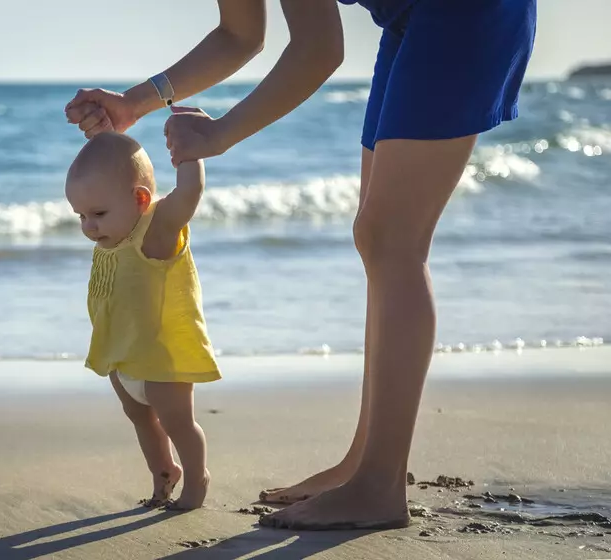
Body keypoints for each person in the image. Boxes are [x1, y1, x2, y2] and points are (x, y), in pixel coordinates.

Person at [65, 0, 537, 530]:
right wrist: (134, 103)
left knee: (390, 240)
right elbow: (241, 33)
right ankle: (365, 464)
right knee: (378, 240)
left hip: (462, 11)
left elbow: (320, 50)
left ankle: (378, 485)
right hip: (409, 18)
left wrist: (219, 134)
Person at [65, 131, 221, 510]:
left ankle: (197, 478)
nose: (89, 226)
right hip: (122, 358)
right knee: (140, 418)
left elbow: (187, 197)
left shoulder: (154, 233)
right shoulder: (111, 240)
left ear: (140, 199)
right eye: (81, 216)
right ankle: (163, 471)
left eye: (98, 214)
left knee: (177, 424)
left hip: (162, 360)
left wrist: (190, 155)